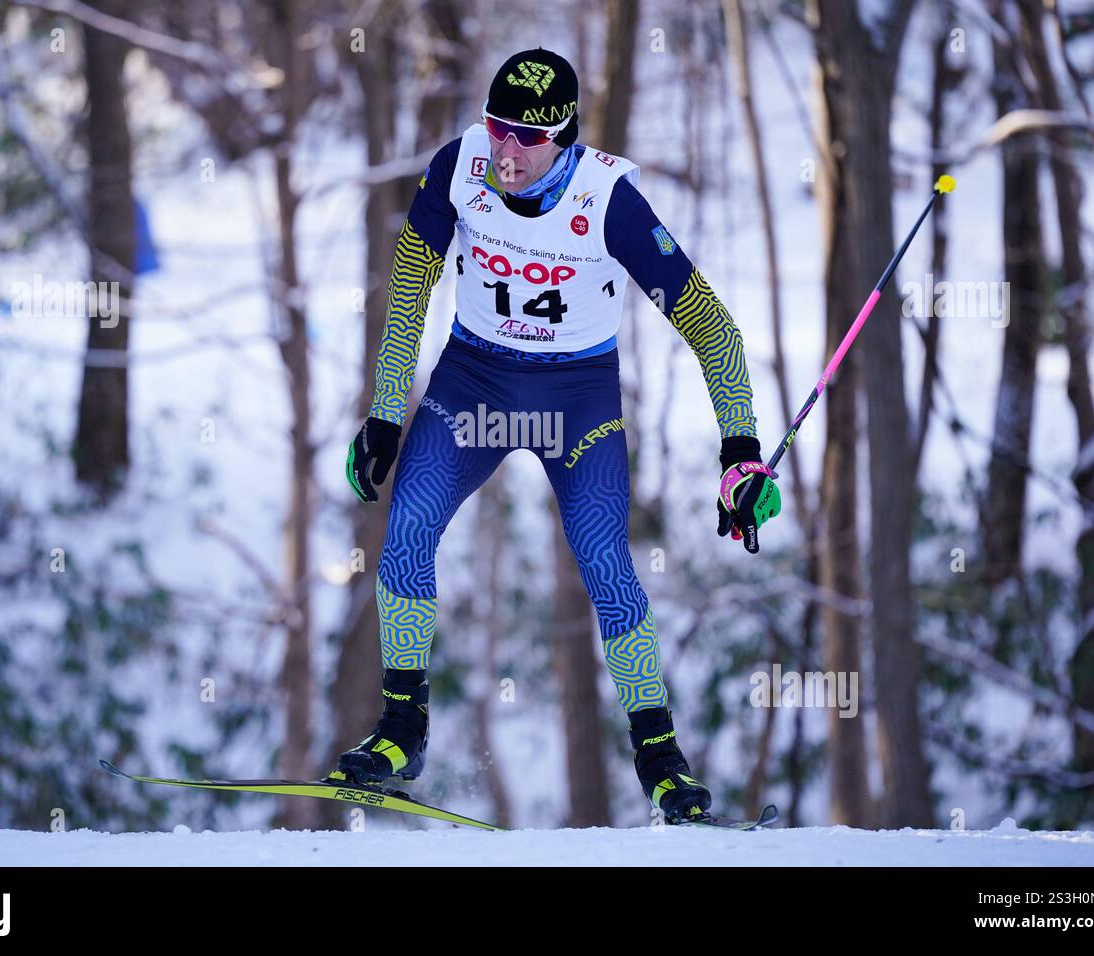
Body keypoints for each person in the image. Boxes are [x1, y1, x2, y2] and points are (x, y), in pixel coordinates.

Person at [333, 48, 780, 823]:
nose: (506, 151)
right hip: (474, 383)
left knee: (605, 556)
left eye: (528, 137)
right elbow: (411, 284)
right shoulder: (458, 166)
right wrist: (382, 410)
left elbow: (713, 328)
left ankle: (660, 758)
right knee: (405, 527)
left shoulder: (609, 199)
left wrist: (739, 451)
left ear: (566, 137)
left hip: (576, 397)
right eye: (496, 125)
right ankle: (402, 729)